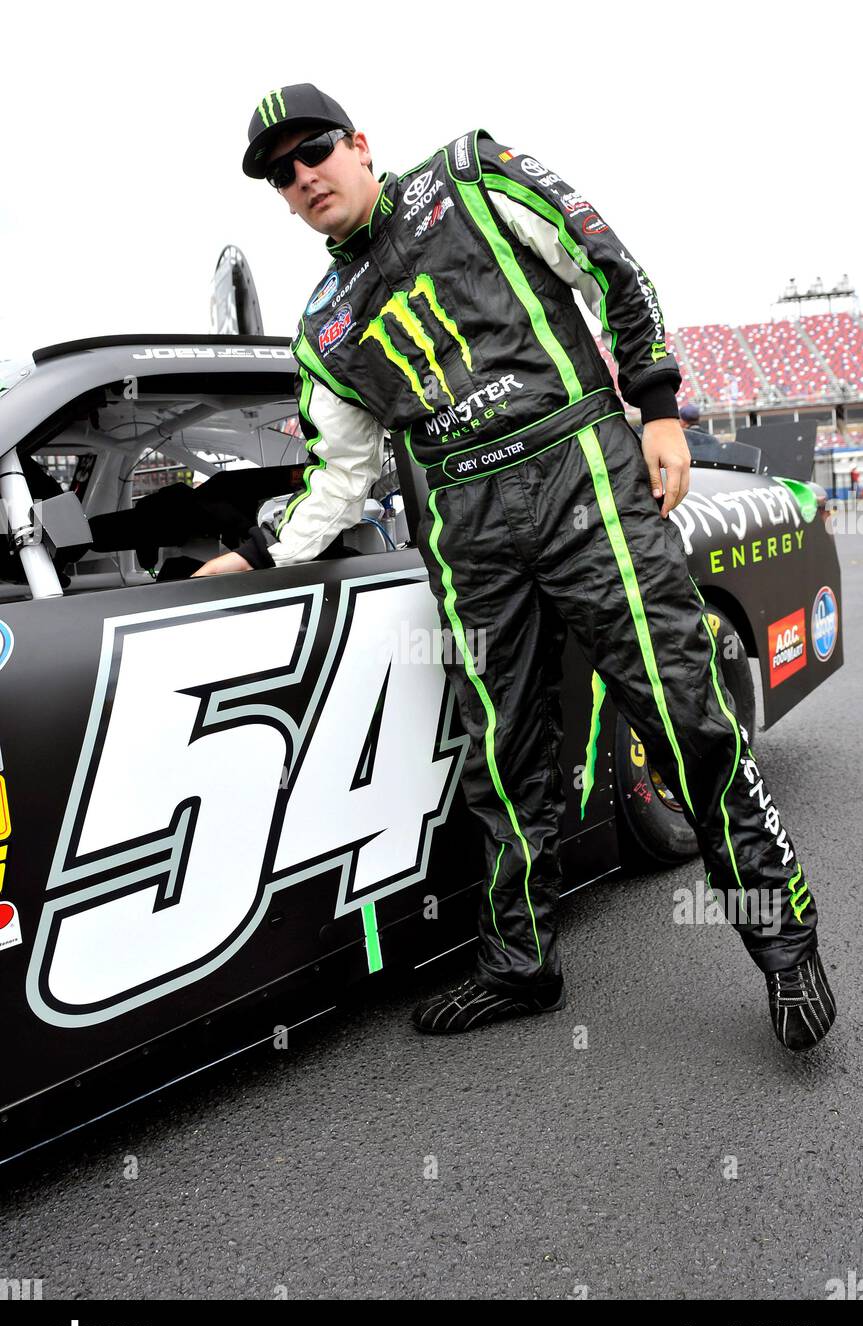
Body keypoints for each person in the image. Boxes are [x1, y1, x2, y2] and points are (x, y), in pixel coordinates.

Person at [194, 84, 836, 1048]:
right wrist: (248, 554)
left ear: (358, 143)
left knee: (679, 719)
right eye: (280, 175)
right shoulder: (322, 324)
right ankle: (519, 963)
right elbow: (341, 476)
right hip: (464, 527)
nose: (303, 177)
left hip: (579, 473)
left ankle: (783, 944)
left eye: (314, 150)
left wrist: (657, 405)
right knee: (499, 756)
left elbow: (610, 269)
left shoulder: (469, 175)